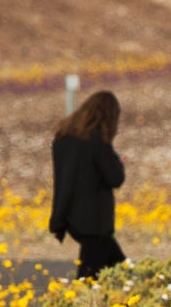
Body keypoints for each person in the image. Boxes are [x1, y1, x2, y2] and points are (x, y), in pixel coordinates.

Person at [49, 90, 127, 279]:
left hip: (72, 218)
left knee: (119, 271)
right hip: (96, 223)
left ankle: (125, 306)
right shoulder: (97, 141)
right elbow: (115, 177)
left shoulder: (62, 138)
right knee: (93, 279)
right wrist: (118, 161)